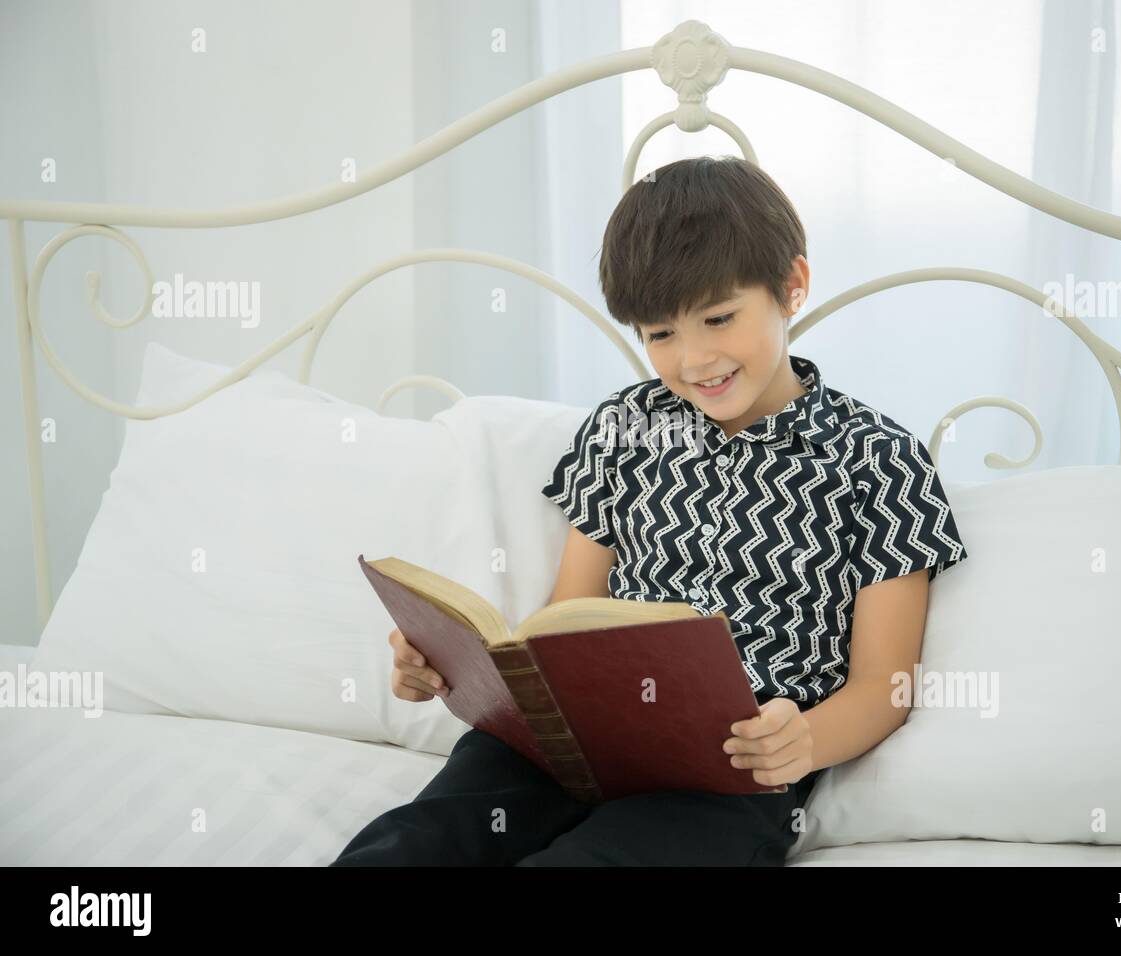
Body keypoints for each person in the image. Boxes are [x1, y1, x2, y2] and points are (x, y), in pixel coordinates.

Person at [331, 156, 969, 867]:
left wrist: (804, 742)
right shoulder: (623, 428)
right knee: (416, 842)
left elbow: (885, 684)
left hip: (727, 775)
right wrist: (455, 665)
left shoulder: (877, 458)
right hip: (578, 741)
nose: (694, 358)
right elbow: (563, 622)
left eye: (719, 318)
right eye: (660, 333)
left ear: (793, 288)